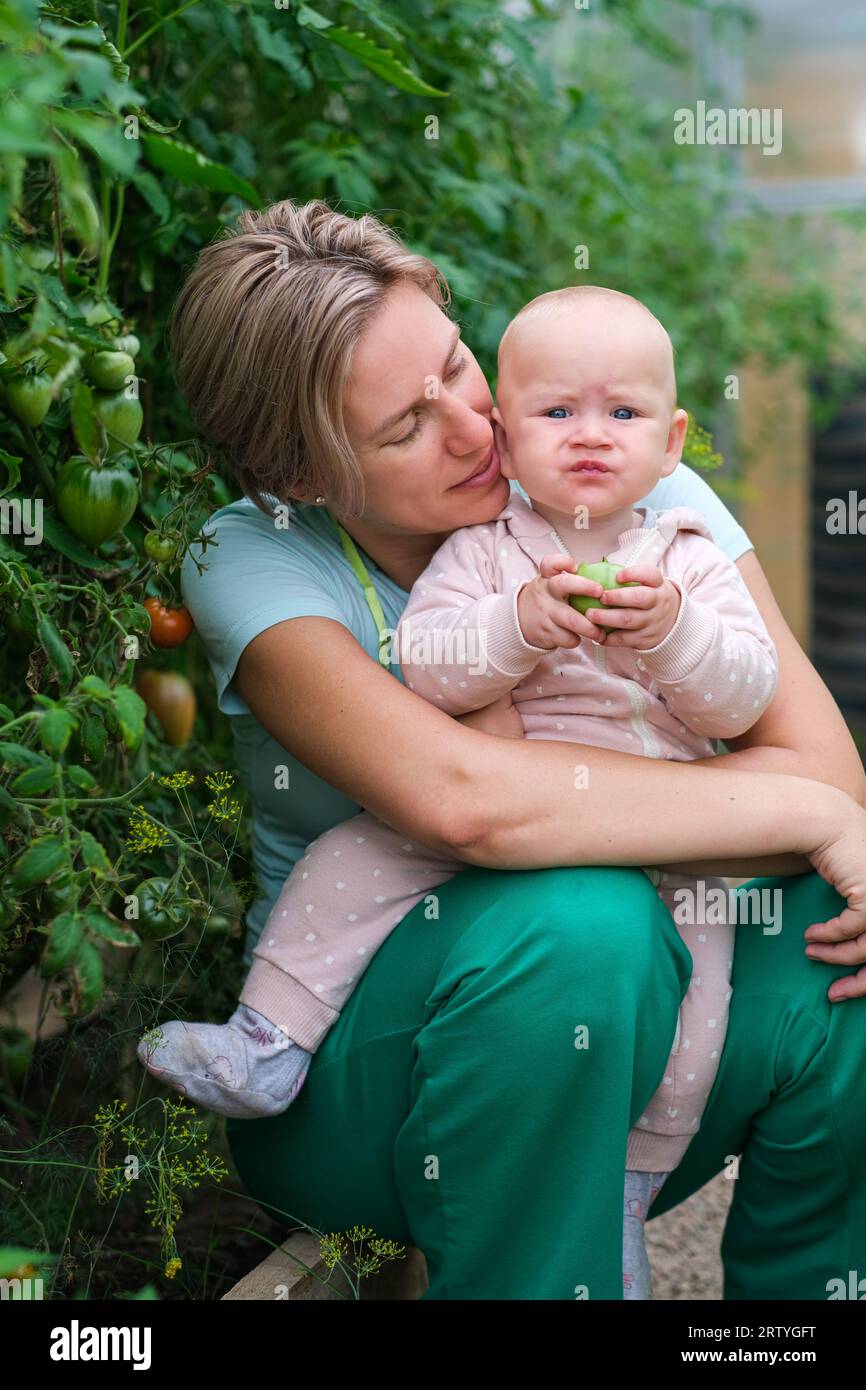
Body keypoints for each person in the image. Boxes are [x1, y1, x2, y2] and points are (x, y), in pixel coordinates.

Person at [143, 199, 866, 1299]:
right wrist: (800, 815)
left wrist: (811, 804)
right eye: (402, 427)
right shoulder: (255, 556)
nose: (475, 429)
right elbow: (465, 804)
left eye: (455, 365)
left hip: (627, 1070)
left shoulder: (622, 475)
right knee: (581, 920)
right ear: (299, 476)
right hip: (368, 1080)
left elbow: (825, 765)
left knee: (840, 948)